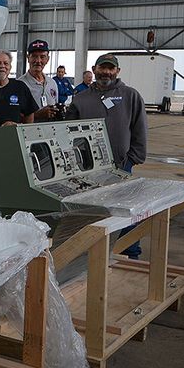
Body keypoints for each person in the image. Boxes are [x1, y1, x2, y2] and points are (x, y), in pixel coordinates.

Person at [68, 54, 148, 258]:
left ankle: (130, 253)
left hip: (121, 166)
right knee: (90, 212)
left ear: (117, 71)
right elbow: (68, 131)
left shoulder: (130, 96)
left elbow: (140, 129)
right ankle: (91, 255)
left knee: (125, 211)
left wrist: (132, 159)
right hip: (87, 170)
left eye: (110, 68)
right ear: (94, 69)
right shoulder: (80, 99)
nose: (106, 72)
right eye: (102, 68)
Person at [18, 39, 60, 120]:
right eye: (34, 56)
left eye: (42, 57)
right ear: (28, 58)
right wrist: (36, 115)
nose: (38, 61)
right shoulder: (19, 84)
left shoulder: (52, 83)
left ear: (47, 59)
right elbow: (14, 116)